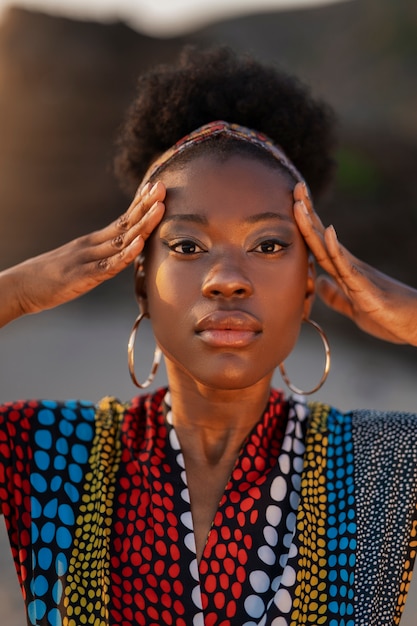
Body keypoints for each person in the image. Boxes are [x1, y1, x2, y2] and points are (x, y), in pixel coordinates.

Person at [0, 46, 416, 626]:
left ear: (307, 286)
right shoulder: (49, 453)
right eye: (187, 246)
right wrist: (15, 292)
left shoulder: (383, 465)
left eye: (269, 246)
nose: (226, 280)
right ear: (140, 280)